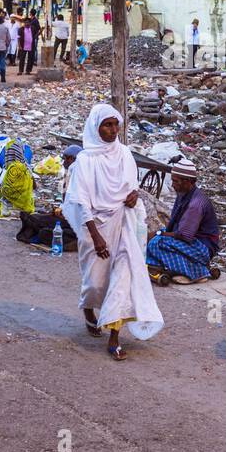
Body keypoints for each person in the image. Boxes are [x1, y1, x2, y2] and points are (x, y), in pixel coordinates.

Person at [63, 104, 163, 360]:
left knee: (122, 280)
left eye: (115, 124)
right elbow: (81, 201)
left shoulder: (125, 154)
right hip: (95, 227)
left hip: (124, 224)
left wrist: (132, 196)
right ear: (96, 127)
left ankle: (115, 337)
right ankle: (88, 308)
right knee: (96, 284)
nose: (112, 130)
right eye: (107, 125)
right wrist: (96, 236)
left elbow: (132, 187)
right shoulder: (85, 160)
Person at [145, 158, 220, 282]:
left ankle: (198, 271)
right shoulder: (183, 194)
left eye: (175, 181)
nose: (173, 184)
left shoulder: (196, 204)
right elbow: (174, 226)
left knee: (156, 243)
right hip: (190, 240)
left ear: (187, 182)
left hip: (202, 247)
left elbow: (184, 236)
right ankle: (170, 267)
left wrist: (159, 234)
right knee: (149, 238)